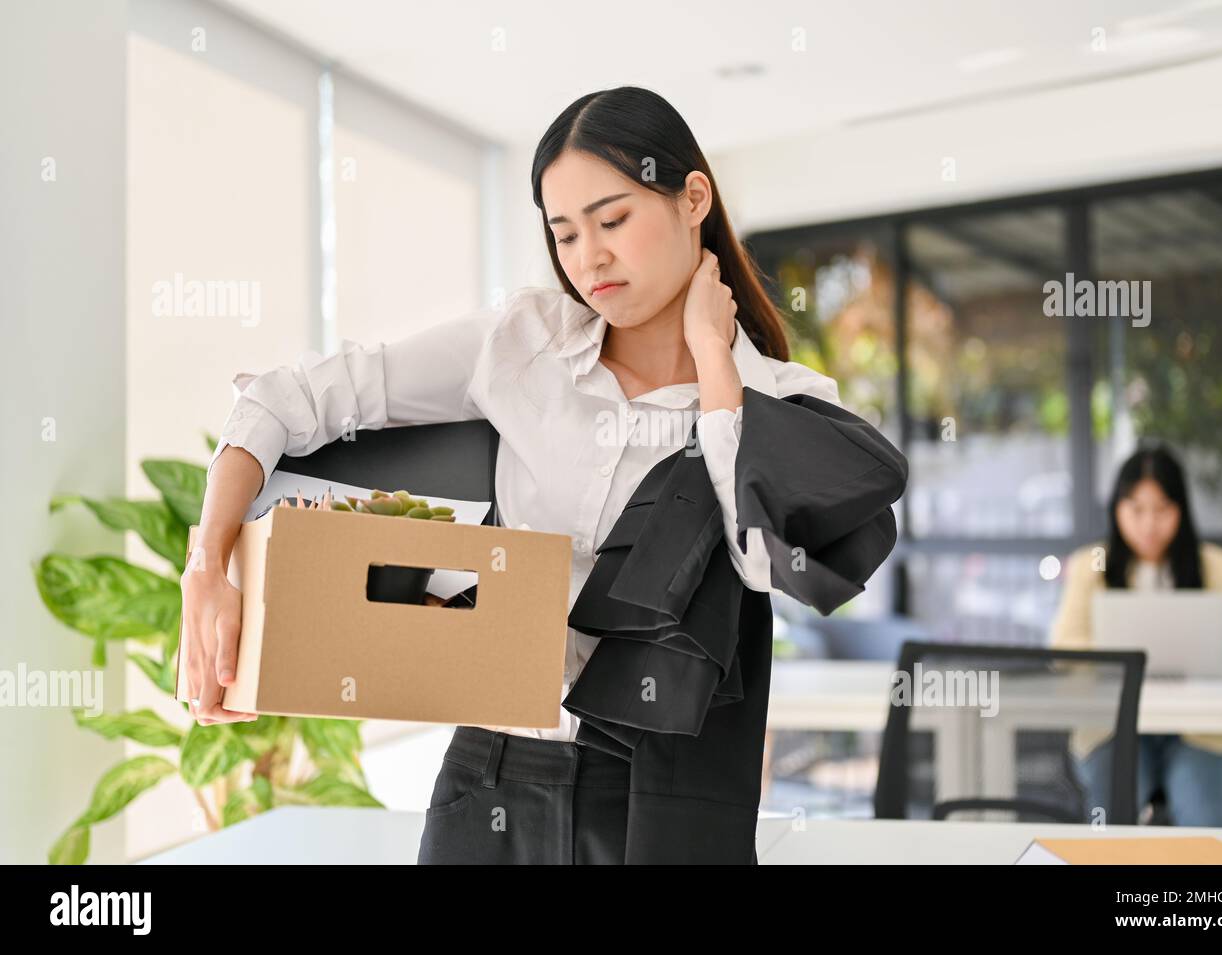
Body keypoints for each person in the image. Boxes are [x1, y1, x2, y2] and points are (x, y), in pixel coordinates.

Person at [181, 86, 859, 864]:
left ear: (693, 197)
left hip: (657, 803)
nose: (588, 258)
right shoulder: (523, 342)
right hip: (489, 780)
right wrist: (207, 565)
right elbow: (288, 397)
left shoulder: (784, 399)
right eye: (564, 233)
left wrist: (714, 363)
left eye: (612, 221)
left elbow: (765, 558)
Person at [1048, 442, 1222, 827]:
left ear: (1181, 511)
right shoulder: (1090, 566)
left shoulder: (1216, 566)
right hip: (1113, 726)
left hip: (1202, 727)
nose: (1149, 524)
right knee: (1111, 815)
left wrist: (1196, 657)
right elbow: (1063, 649)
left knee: (1200, 807)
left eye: (1162, 509)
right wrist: (1130, 658)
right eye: (1136, 509)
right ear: (1116, 508)